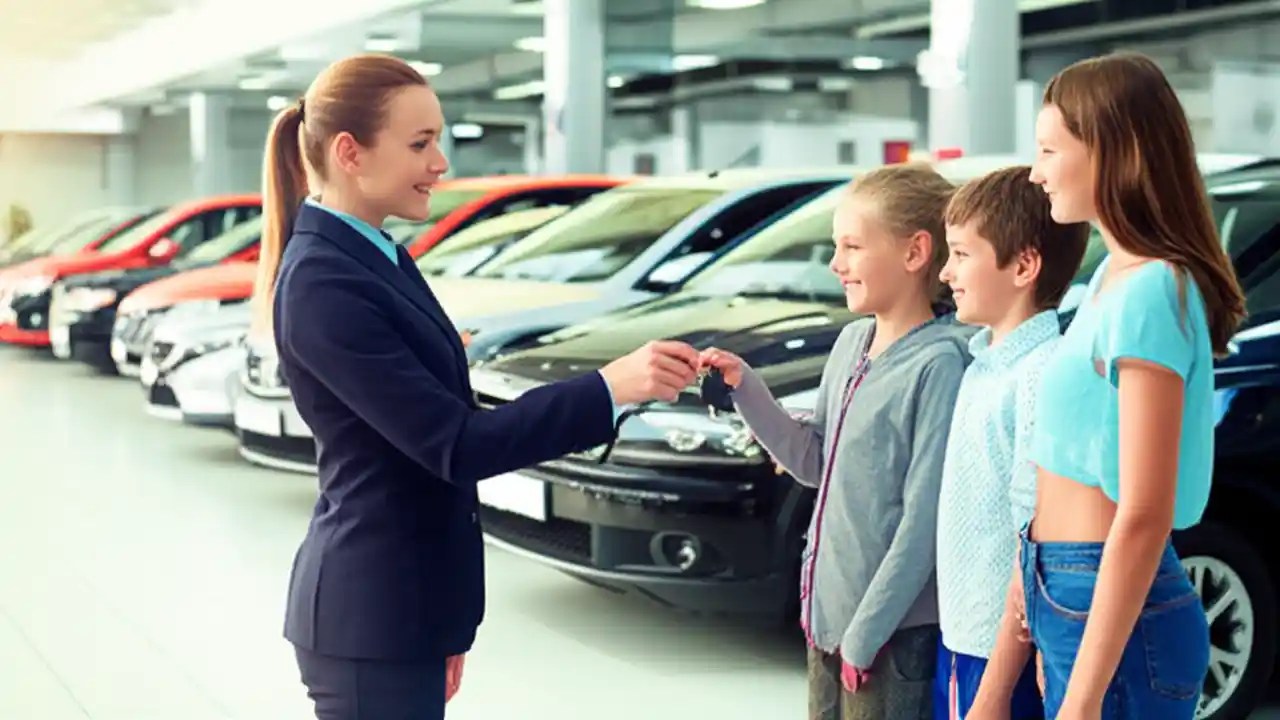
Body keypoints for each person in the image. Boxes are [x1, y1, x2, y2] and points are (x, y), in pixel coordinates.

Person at [254, 54, 703, 720]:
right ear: (349, 152)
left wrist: (443, 618)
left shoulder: (372, 253)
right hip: (372, 618)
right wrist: (609, 387)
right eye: (420, 144)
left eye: (439, 140)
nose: (441, 163)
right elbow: (455, 445)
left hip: (406, 607)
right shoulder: (324, 281)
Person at [969, 52, 1246, 720]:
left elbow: (1145, 511)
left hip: (1108, 598)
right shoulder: (1109, 282)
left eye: (1048, 149)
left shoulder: (1154, 288)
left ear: (1114, 152)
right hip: (1065, 584)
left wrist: (1084, 699)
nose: (1035, 173)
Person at [700, 163, 972, 720]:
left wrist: (864, 637)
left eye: (851, 246)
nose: (835, 263)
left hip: (891, 639)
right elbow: (814, 461)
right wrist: (747, 389)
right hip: (827, 622)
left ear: (915, 252)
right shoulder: (852, 341)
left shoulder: (939, 366)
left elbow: (920, 529)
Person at [932, 165, 1089, 720]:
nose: (946, 272)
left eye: (961, 254)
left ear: (1024, 264)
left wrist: (996, 689)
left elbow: (1033, 545)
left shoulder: (1037, 376)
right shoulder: (987, 364)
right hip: (962, 638)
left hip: (999, 659)